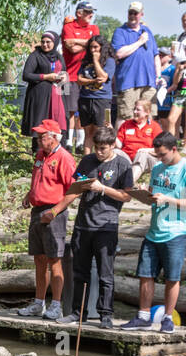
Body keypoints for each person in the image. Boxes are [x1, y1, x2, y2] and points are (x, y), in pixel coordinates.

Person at [121, 133, 186, 333]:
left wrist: (168, 200)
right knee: (145, 274)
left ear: (174, 149)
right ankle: (143, 316)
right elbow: (153, 195)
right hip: (154, 231)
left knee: (171, 277)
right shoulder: (157, 168)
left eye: (162, 155)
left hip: (177, 232)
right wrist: (143, 193)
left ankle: (167, 318)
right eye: (156, 155)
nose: (159, 159)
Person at [69, 126, 133, 328]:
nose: (99, 151)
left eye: (103, 148)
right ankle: (78, 313)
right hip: (83, 224)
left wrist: (102, 188)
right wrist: (83, 184)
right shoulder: (87, 160)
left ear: (113, 145)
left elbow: (127, 195)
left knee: (106, 274)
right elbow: (75, 183)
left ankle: (106, 314)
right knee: (80, 272)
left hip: (107, 225)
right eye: (96, 147)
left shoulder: (122, 164)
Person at [17, 119, 76, 320]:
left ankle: (56, 305)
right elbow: (39, 180)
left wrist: (56, 211)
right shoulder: (40, 155)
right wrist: (29, 194)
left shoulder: (64, 158)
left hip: (54, 214)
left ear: (54, 137)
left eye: (43, 136)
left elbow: (74, 190)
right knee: (39, 258)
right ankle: (38, 303)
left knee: (54, 258)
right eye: (39, 136)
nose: (39, 140)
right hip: (37, 211)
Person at [111, 2, 159, 123]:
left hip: (149, 81)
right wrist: (139, 42)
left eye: (135, 13)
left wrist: (158, 76)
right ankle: (121, 142)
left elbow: (155, 55)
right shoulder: (120, 32)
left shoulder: (147, 31)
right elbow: (119, 53)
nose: (132, 16)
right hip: (128, 82)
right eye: (130, 13)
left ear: (141, 14)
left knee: (149, 116)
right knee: (126, 116)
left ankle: (147, 142)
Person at [62, 2, 100, 153]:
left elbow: (96, 44)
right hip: (69, 77)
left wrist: (77, 41)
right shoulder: (68, 27)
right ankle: (68, 141)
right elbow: (70, 48)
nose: (91, 15)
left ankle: (80, 143)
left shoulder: (94, 28)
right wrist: (88, 44)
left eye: (92, 12)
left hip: (87, 76)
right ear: (79, 13)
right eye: (88, 12)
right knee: (69, 111)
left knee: (83, 111)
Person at [21, 32, 68, 153]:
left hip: (57, 95)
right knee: (41, 123)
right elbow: (26, 75)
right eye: (43, 42)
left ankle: (58, 153)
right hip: (40, 97)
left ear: (55, 43)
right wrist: (46, 76)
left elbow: (64, 72)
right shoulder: (35, 56)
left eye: (48, 42)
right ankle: (38, 155)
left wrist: (64, 80)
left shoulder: (58, 56)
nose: (45, 45)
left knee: (59, 123)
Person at [116, 99, 165, 182]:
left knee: (141, 154)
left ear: (147, 112)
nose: (135, 112)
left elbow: (161, 148)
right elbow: (119, 146)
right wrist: (112, 133)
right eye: (134, 109)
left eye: (138, 110)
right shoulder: (126, 124)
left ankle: (129, 184)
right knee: (115, 152)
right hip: (128, 159)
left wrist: (146, 150)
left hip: (147, 159)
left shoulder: (154, 126)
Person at [77, 34, 115, 133]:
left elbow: (103, 77)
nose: (93, 50)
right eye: (91, 47)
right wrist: (93, 81)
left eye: (96, 47)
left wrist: (95, 61)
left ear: (102, 47)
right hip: (85, 99)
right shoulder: (85, 62)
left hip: (103, 100)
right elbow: (79, 80)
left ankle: (103, 149)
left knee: (103, 132)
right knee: (88, 133)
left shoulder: (109, 61)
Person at [155, 47, 176, 127]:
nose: (160, 57)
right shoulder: (155, 68)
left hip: (167, 99)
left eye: (163, 55)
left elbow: (174, 84)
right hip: (155, 99)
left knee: (164, 119)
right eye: (159, 55)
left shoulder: (172, 69)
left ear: (169, 56)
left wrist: (165, 92)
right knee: (155, 119)